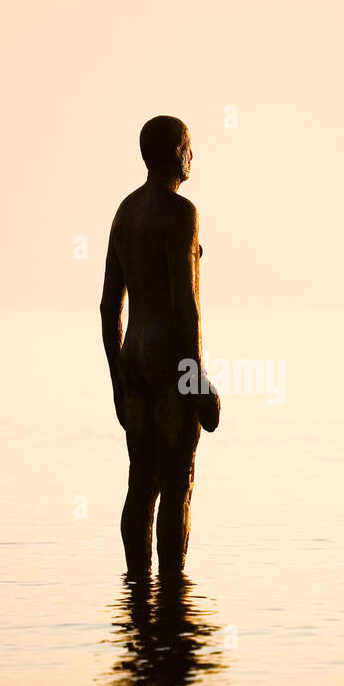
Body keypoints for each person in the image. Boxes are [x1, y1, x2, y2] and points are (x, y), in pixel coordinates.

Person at [100, 116, 220, 579]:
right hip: (171, 367)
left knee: (140, 485)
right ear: (175, 153)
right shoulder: (181, 213)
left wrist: (116, 379)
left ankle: (136, 588)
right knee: (176, 484)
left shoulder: (125, 213)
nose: (193, 156)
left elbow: (109, 308)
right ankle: (171, 595)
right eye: (189, 146)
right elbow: (185, 306)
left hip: (134, 364)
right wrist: (197, 380)